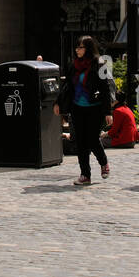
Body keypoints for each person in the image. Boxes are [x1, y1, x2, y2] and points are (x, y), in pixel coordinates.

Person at [54, 34, 113, 185]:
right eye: (76, 47)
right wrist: (58, 102)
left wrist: (108, 112)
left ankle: (103, 161)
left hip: (95, 108)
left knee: (92, 140)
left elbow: (105, 88)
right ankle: (85, 174)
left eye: (80, 47)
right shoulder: (74, 65)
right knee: (80, 142)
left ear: (88, 48)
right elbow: (67, 85)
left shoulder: (100, 64)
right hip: (77, 107)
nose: (77, 50)